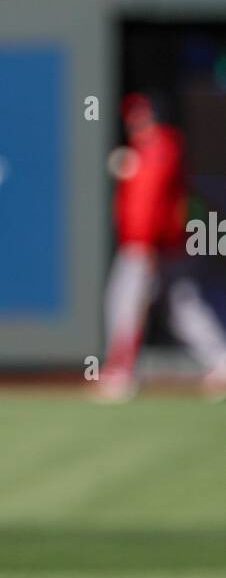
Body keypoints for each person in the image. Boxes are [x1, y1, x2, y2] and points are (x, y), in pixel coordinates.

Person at [98, 93, 226, 400]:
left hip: (150, 246)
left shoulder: (160, 147)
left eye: (140, 115)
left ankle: (121, 374)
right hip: (164, 245)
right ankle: (221, 362)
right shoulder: (150, 149)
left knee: (126, 304)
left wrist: (146, 245)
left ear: (152, 116)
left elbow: (148, 205)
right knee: (184, 307)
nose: (134, 121)